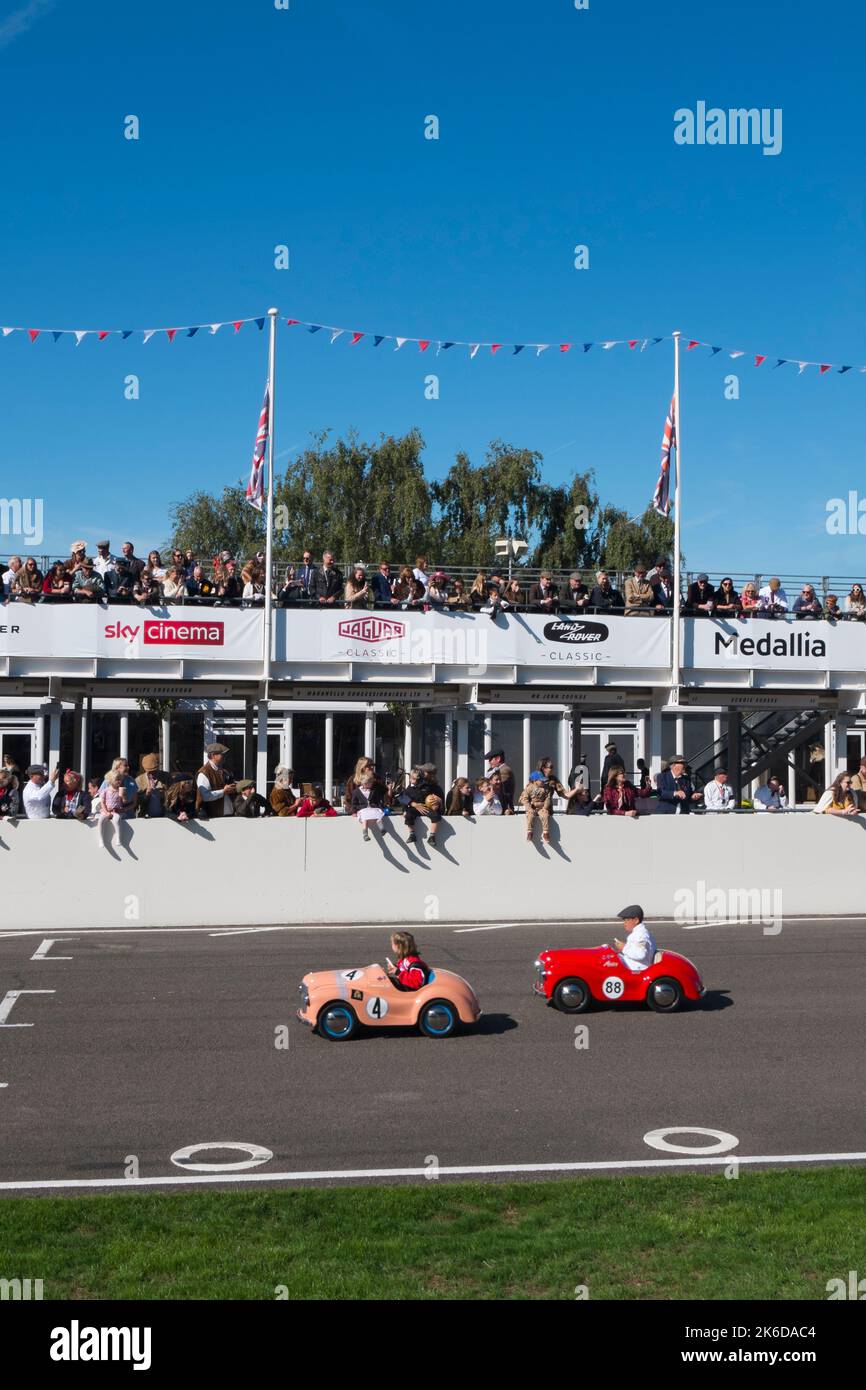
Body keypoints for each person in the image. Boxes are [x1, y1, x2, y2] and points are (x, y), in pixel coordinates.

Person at [401, 764, 444, 845]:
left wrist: (438, 803)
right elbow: (403, 797)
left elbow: (440, 804)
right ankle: (412, 834)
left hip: (426, 808)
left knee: (436, 816)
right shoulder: (410, 788)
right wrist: (409, 807)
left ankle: (432, 836)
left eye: (425, 772)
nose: (423, 774)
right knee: (409, 815)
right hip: (415, 808)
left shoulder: (430, 787)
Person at [195, 742, 237, 818]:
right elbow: (205, 796)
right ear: (213, 756)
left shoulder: (224, 771)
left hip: (228, 815)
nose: (224, 756)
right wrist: (223, 791)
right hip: (213, 818)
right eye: (222, 754)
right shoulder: (204, 773)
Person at [612, 904, 657, 973]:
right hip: (632, 966)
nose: (624, 923)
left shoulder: (641, 935)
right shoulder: (639, 933)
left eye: (627, 920)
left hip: (637, 970)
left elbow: (641, 954)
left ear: (636, 920)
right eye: (624, 920)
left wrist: (624, 948)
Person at [351, 771, 388, 840]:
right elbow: (354, 803)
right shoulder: (356, 791)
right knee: (364, 819)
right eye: (369, 783)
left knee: (378, 817)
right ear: (363, 783)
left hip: (373, 808)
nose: (371, 785)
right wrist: (354, 811)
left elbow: (378, 800)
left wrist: (381, 807)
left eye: (371, 783)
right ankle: (365, 834)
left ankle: (382, 829)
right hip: (363, 809)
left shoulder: (374, 790)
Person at [135, 753, 169, 817]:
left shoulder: (166, 776)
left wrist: (164, 794)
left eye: (154, 771)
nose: (152, 774)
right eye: (149, 772)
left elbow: (173, 796)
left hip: (164, 817)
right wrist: (146, 795)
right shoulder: (139, 780)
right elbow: (135, 802)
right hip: (145, 817)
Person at [484, 748, 515, 813]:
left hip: (503, 809)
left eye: (490, 759)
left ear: (498, 759)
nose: (489, 762)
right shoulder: (497, 770)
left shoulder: (504, 770)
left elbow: (499, 789)